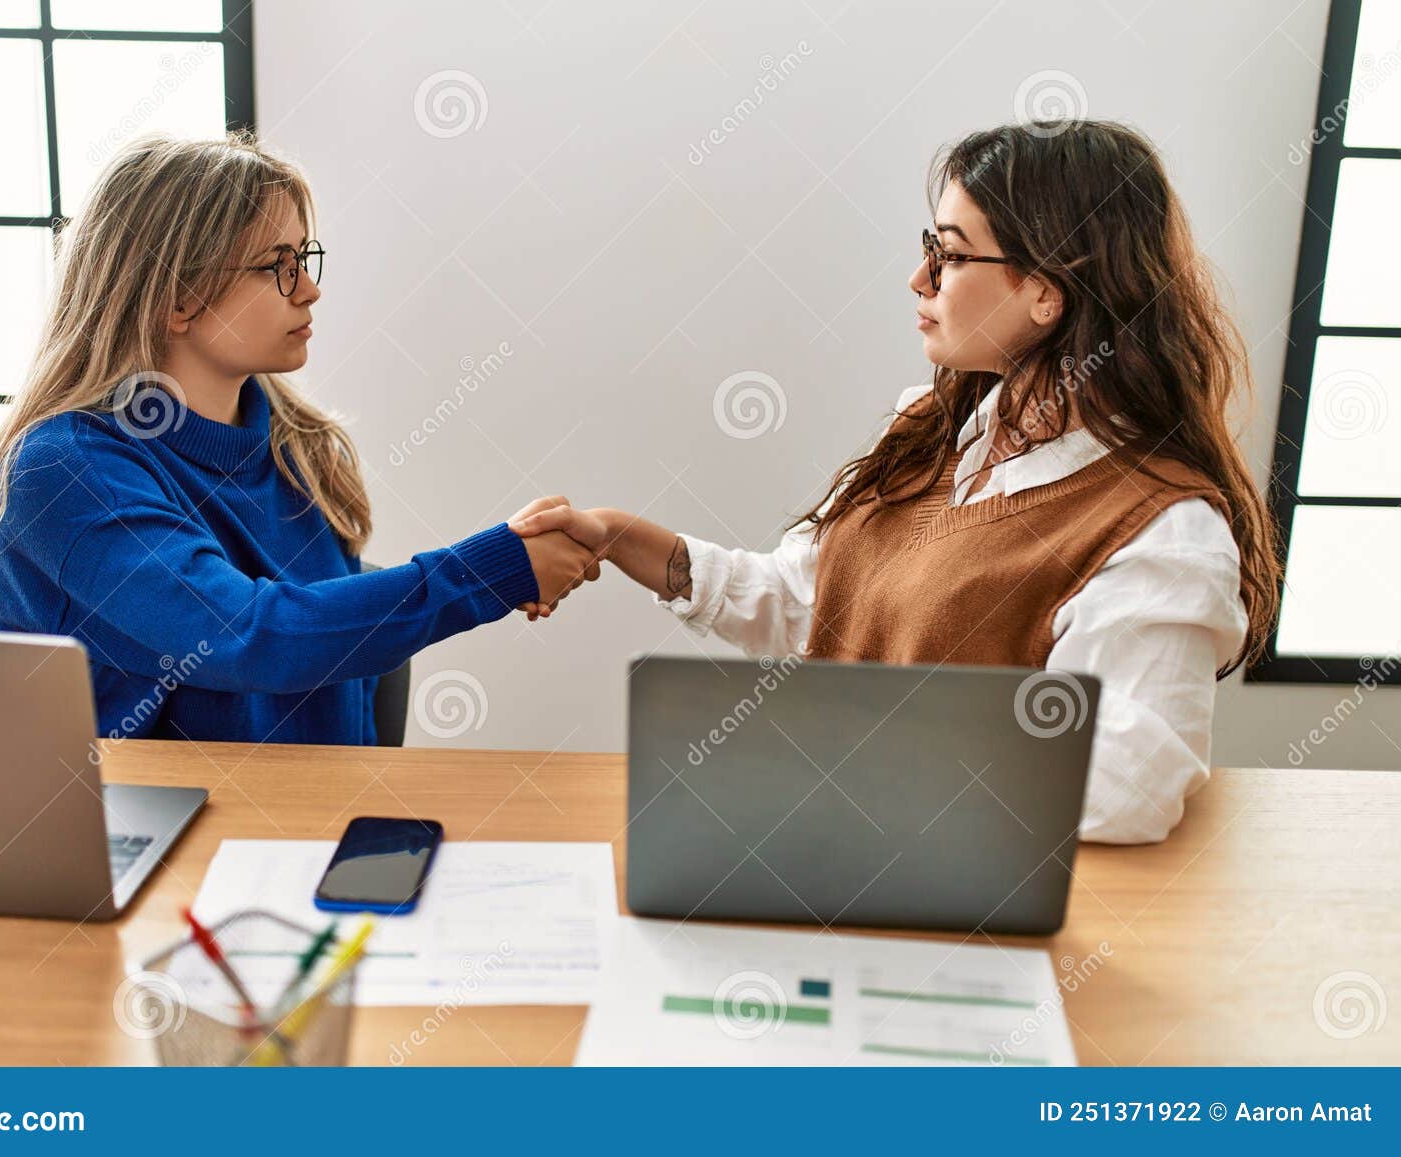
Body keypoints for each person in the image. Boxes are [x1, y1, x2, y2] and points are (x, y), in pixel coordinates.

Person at [511, 121, 1281, 844]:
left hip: (962, 899)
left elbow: (1129, 783)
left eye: (949, 254)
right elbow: (808, 607)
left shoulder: (1162, 527)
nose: (919, 278)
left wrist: (851, 748)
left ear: (1047, 293)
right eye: (927, 247)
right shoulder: (930, 428)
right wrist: (619, 538)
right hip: (823, 848)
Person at [0, 132, 598, 746]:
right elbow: (250, 638)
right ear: (178, 299)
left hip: (302, 824)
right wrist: (493, 572)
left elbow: (342, 693)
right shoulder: (64, 470)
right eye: (277, 267)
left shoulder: (297, 444)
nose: (311, 290)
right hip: (130, 846)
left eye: (304, 260)